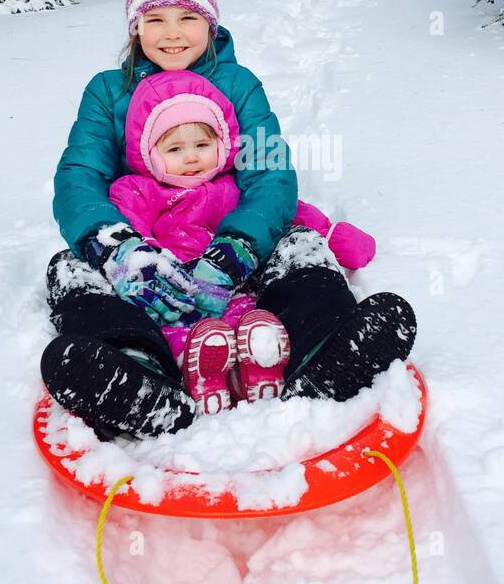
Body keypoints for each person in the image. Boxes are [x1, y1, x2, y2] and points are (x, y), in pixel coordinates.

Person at [40, 0, 416, 441]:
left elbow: (271, 175)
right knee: (69, 266)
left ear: (211, 21)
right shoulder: (109, 92)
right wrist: (116, 247)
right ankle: (135, 370)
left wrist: (238, 246)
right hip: (149, 239)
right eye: (155, 18)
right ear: (135, 26)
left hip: (229, 233)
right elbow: (79, 176)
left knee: (298, 241)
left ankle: (323, 343)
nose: (171, 33)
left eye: (188, 17)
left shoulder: (237, 85)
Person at [105, 66, 379, 413]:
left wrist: (333, 236)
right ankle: (198, 376)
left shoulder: (232, 188)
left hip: (229, 282)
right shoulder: (139, 191)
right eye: (175, 149)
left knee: (250, 319)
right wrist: (145, 258)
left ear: (221, 143)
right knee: (180, 333)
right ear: (149, 152)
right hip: (172, 290)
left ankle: (254, 367)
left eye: (202, 145)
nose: (191, 157)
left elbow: (283, 214)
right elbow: (124, 226)